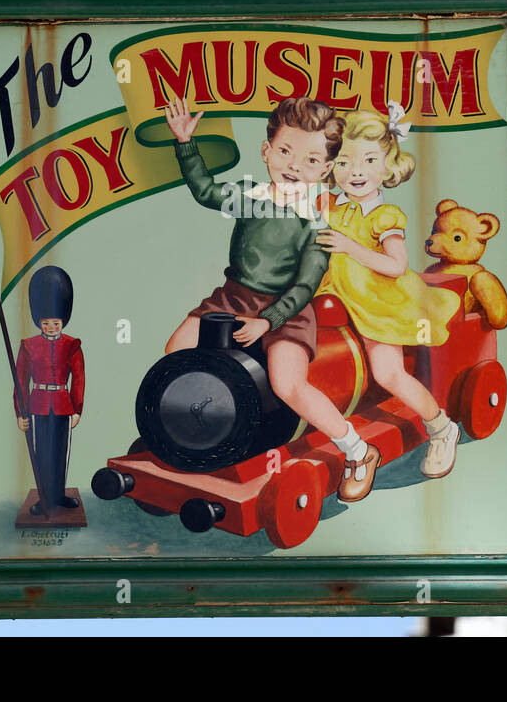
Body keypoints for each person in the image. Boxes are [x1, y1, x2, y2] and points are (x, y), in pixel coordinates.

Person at [163, 96, 380, 503]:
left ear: (327, 170)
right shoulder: (250, 196)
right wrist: (185, 143)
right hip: (232, 297)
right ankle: (194, 436)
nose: (295, 166)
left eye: (311, 160)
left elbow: (304, 287)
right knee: (176, 353)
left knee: (287, 384)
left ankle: (358, 451)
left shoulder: (316, 225)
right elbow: (206, 191)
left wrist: (269, 321)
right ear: (266, 151)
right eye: (285, 151)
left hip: (287, 310)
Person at [315, 104, 463, 480]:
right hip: (339, 297)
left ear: (387, 166)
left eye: (368, 160)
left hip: (379, 303)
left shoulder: (385, 217)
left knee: (389, 374)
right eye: (344, 162)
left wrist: (352, 249)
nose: (356, 171)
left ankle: (442, 428)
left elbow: (396, 264)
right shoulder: (335, 208)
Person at [14, 266, 84, 512]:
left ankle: (58, 496)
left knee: (59, 454)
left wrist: (77, 409)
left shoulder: (71, 345)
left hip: (63, 405)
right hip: (38, 406)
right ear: (39, 321)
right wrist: (20, 414)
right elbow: (21, 380)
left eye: (55, 322)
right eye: (46, 323)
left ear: (62, 321)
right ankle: (44, 499)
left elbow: (78, 378)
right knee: (42, 454)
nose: (51, 327)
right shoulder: (29, 346)